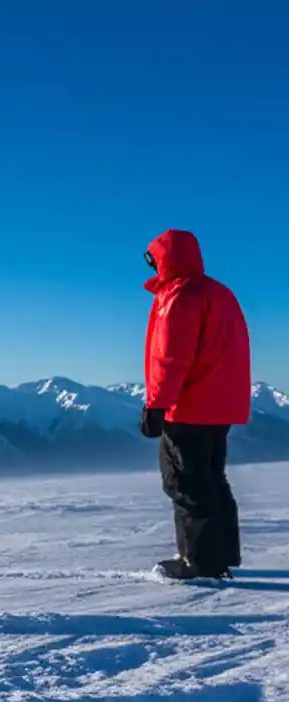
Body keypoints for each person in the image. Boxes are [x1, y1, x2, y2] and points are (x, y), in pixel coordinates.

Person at [139, 229, 251, 580]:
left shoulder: (180, 296)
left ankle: (200, 563)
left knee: (185, 482)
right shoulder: (219, 293)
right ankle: (222, 555)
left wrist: (157, 404)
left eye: (151, 259)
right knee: (212, 479)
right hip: (220, 407)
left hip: (189, 406)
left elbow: (170, 357)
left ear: (163, 258)